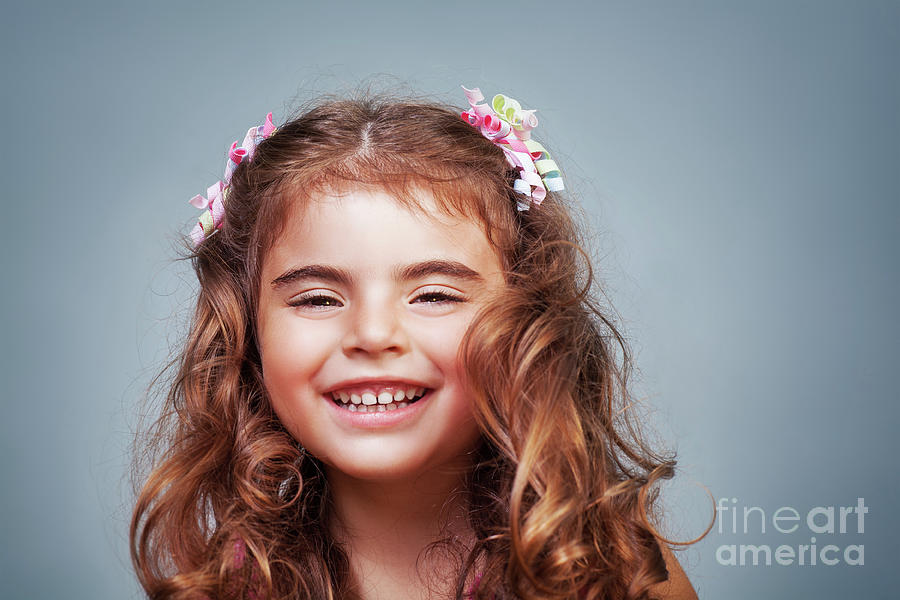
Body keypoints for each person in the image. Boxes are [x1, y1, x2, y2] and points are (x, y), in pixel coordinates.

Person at [131, 85, 703, 600]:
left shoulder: (616, 576)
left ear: (528, 320)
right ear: (246, 334)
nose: (374, 335)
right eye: (317, 299)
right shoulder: (219, 593)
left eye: (433, 295)